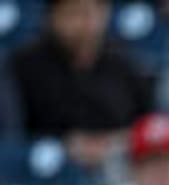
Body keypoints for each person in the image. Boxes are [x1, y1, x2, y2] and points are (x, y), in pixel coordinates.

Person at [7, 0, 155, 165]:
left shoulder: (127, 63)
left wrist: (113, 143)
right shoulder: (24, 65)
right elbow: (13, 135)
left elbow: (149, 125)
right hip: (48, 169)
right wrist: (65, 144)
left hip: (117, 167)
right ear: (52, 17)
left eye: (92, 12)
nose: (85, 24)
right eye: (73, 14)